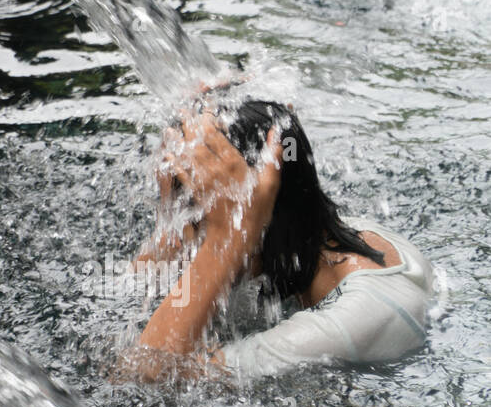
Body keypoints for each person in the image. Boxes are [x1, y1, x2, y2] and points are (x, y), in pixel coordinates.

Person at [126, 99, 436, 380]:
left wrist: (227, 240)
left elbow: (143, 376)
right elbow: (134, 284)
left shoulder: (342, 326)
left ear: (257, 218)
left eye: (196, 220)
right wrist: (171, 219)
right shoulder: (326, 233)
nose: (184, 241)